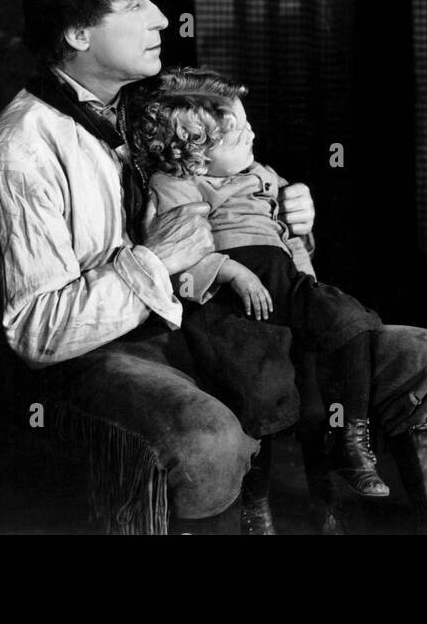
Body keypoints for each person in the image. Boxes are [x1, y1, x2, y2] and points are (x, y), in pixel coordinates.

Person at [0, 0, 427, 534]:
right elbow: (37, 332)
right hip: (106, 356)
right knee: (208, 441)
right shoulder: (21, 153)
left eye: (152, 1)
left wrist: (291, 225)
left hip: (214, 321)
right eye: (134, 5)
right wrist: (153, 263)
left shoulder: (152, 109)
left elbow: (229, 216)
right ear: (79, 34)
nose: (160, 17)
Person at [128, 66, 388, 498]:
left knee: (351, 322)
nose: (251, 135)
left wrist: (306, 264)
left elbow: (290, 239)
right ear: (195, 153)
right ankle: (255, 504)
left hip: (285, 282)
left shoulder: (264, 174)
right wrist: (230, 271)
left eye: (248, 124)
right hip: (230, 298)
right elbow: (172, 259)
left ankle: (352, 441)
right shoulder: (177, 185)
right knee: (259, 393)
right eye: (235, 135)